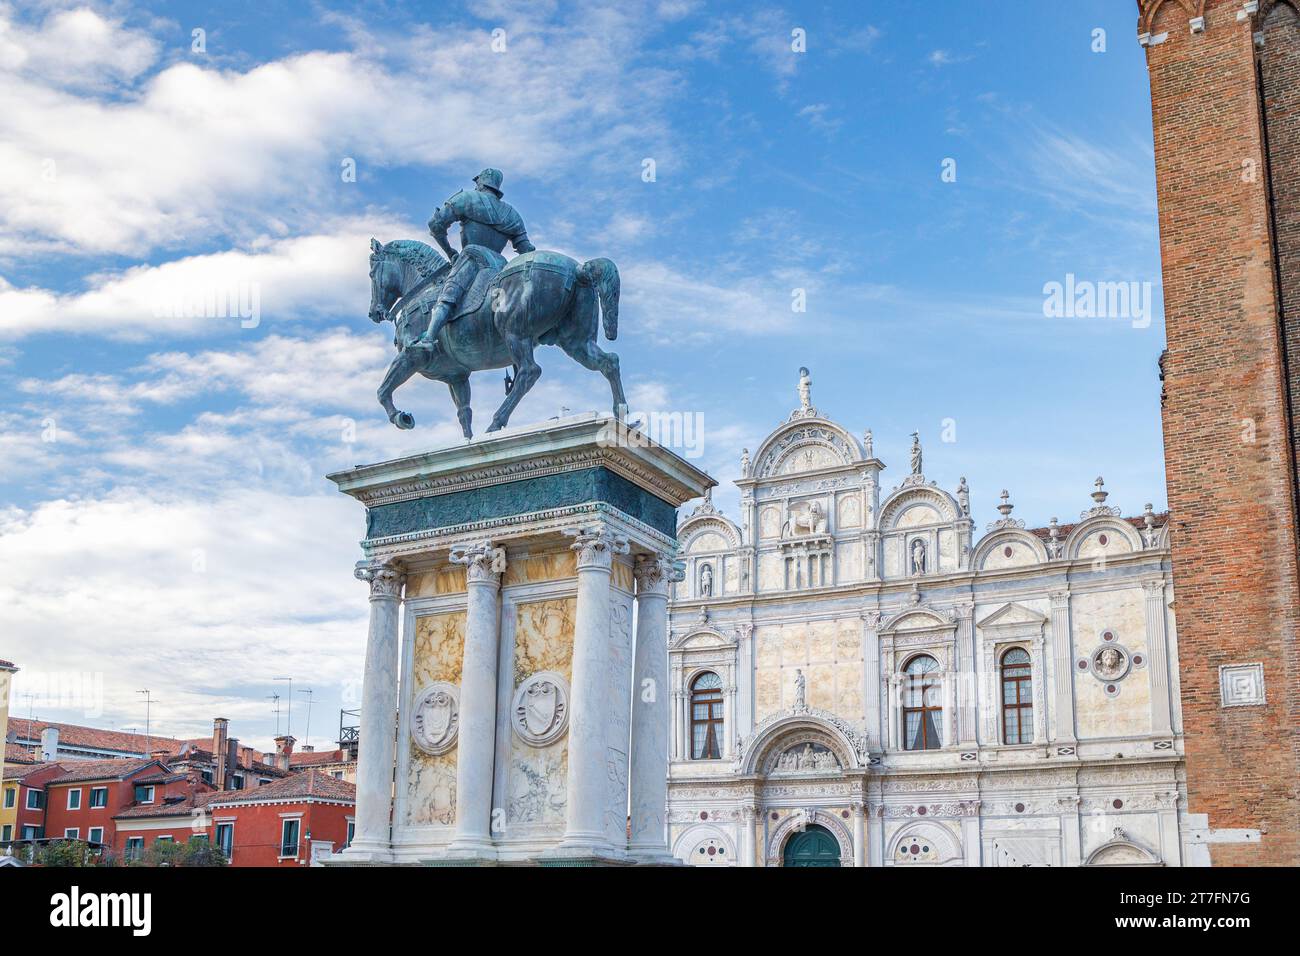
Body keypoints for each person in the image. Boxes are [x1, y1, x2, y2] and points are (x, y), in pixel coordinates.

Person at [412, 168, 535, 352]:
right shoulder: (512, 214)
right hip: (500, 266)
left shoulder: (467, 198)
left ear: (481, 183)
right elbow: (526, 250)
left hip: (472, 257)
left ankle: (429, 337)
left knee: (448, 296)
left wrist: (450, 251)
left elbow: (435, 224)